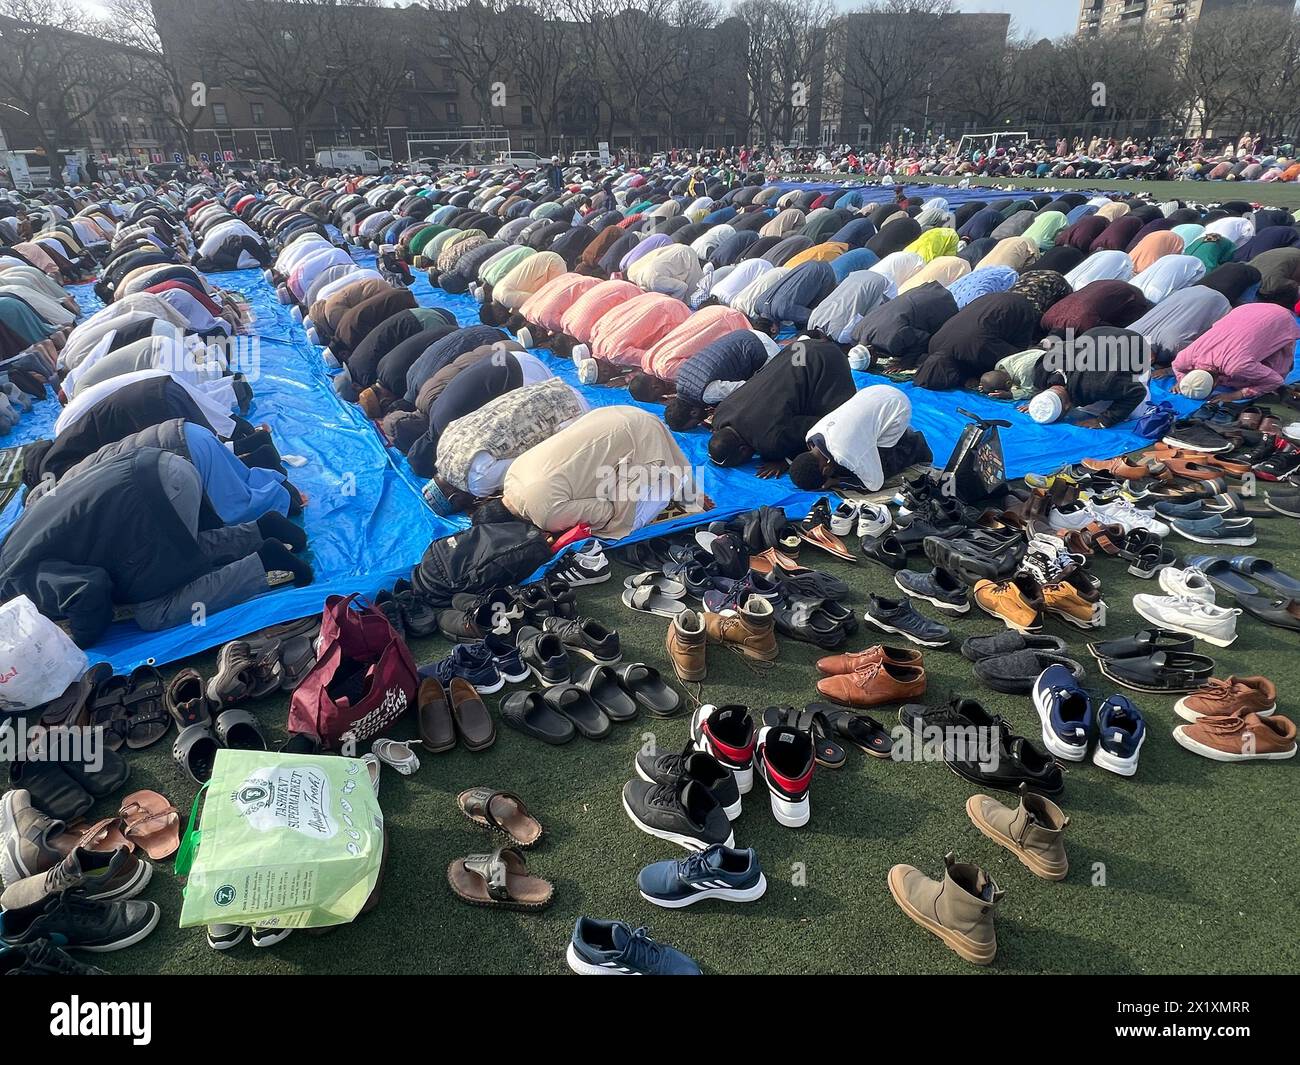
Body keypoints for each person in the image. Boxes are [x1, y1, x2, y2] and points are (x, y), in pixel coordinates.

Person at [0, 448, 311, 647]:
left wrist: (81, 638)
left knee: (152, 612)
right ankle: (261, 530)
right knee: (170, 552)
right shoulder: (9, 547)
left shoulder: (17, 581)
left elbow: (89, 590)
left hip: (156, 498)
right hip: (163, 464)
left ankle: (264, 562)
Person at [495, 405, 708, 537]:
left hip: (641, 439)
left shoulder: (545, 515)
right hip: (615, 412)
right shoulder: (511, 474)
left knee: (620, 526)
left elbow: (605, 513)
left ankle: (672, 487)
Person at [708, 339, 856, 476]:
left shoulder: (770, 440)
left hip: (827, 360)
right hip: (799, 347)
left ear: (743, 450)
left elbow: (817, 427)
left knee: (841, 420)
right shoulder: (721, 413)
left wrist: (787, 460)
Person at [788, 385, 931, 491]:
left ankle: (916, 445)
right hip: (873, 391)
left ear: (826, 470)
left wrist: (836, 482)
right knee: (852, 466)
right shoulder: (811, 435)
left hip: (897, 406)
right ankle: (898, 435)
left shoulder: (845, 453)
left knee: (884, 466)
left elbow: (875, 485)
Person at [1173, 303, 1300, 402]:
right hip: (1247, 309)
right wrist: (1183, 381)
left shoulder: (1237, 366)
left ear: (1216, 383)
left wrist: (1237, 395)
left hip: (1278, 318)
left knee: (1278, 366)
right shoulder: (1188, 356)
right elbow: (1176, 366)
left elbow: (1275, 381)